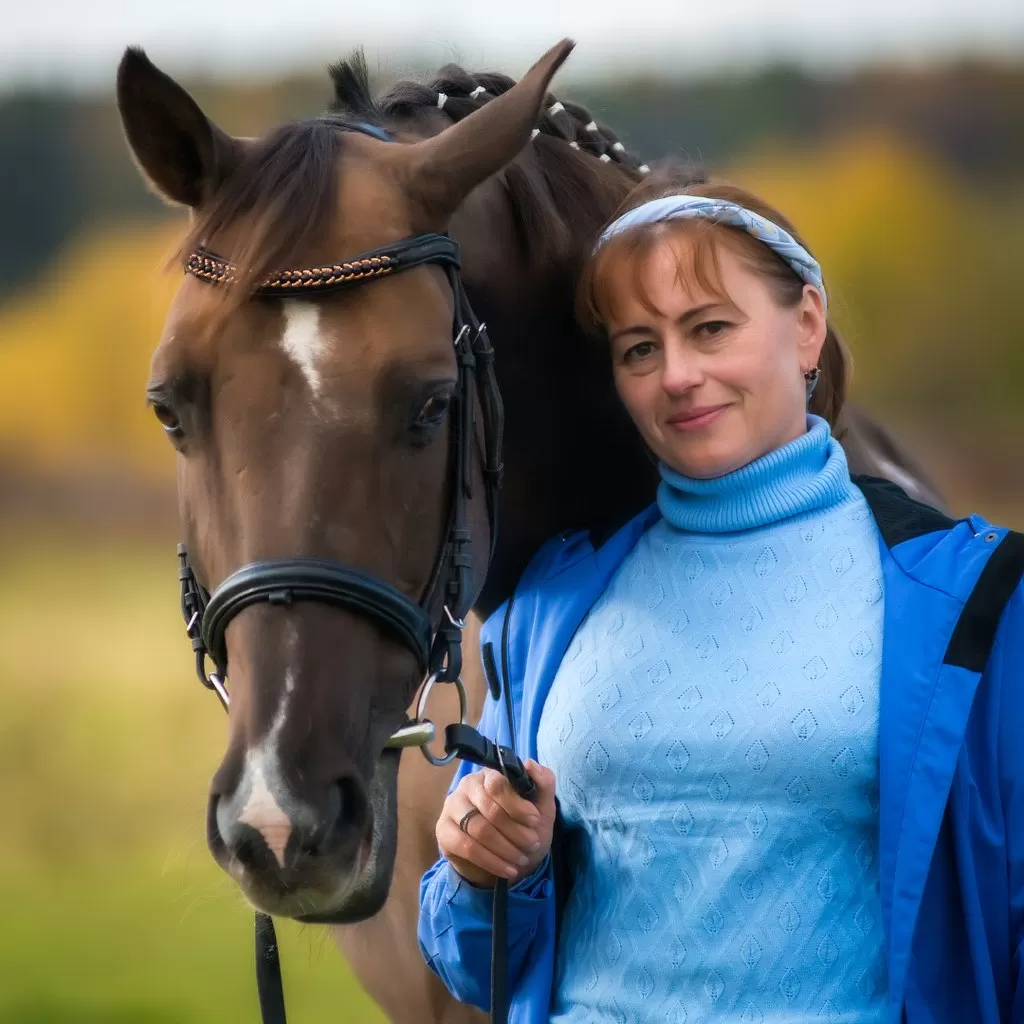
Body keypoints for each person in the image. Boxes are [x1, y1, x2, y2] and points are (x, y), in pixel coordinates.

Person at [418, 175, 1024, 1023]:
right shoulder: (546, 607)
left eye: (709, 330)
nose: (676, 376)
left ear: (807, 324)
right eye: (639, 349)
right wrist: (486, 871)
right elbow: (474, 962)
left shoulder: (970, 601)